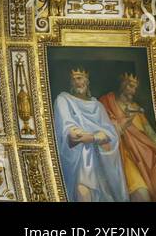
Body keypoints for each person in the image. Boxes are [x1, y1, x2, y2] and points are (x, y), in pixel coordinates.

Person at [54, 68, 127, 202]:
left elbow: (111, 134)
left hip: (100, 163)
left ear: (87, 82)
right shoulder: (64, 99)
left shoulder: (97, 106)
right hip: (79, 161)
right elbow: (68, 130)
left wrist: (92, 137)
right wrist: (93, 136)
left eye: (80, 78)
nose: (77, 82)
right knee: (83, 194)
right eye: (74, 79)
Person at [100, 73, 156, 201]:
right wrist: (119, 125)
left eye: (135, 87)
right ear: (122, 85)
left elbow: (150, 133)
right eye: (130, 86)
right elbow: (101, 129)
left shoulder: (137, 108)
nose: (132, 90)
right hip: (121, 156)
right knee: (141, 194)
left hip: (144, 158)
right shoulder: (107, 102)